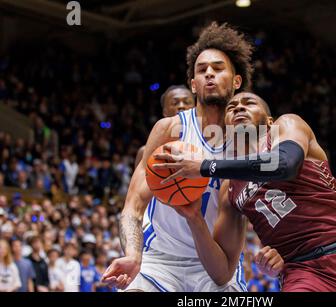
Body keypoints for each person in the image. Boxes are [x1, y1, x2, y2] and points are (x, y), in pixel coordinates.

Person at [154, 91, 336, 291]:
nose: (239, 107)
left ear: (269, 120)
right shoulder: (230, 187)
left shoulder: (287, 126)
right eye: (231, 107)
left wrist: (205, 167)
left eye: (248, 103)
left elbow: (284, 165)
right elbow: (221, 273)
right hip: (302, 273)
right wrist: (194, 219)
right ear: (227, 130)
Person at [102, 22, 272, 292]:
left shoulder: (247, 142)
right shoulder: (169, 130)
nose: (209, 75)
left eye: (218, 68)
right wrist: (133, 254)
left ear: (236, 81)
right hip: (160, 260)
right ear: (193, 85)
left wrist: (276, 248)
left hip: (217, 263)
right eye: (202, 70)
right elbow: (132, 208)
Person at [134, 85, 195, 169]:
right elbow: (138, 182)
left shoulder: (210, 146)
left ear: (196, 108)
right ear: (165, 112)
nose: (181, 106)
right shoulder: (145, 152)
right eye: (175, 103)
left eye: (187, 102)